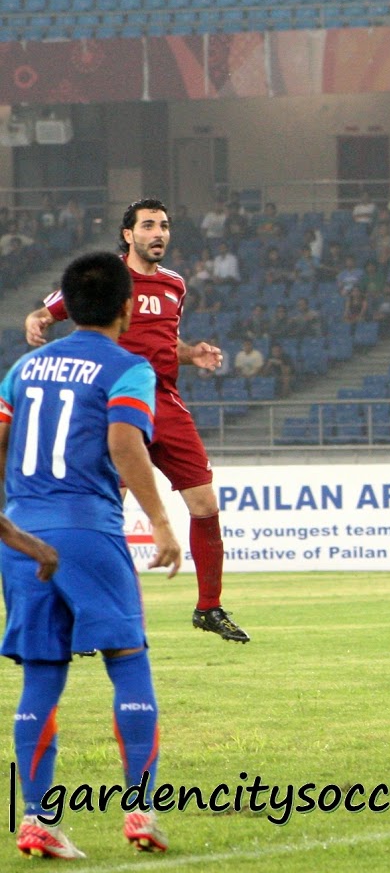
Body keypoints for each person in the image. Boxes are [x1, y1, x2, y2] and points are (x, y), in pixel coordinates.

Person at [3, 252, 185, 857]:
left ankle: (37, 819)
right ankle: (141, 812)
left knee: (41, 674)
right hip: (87, 531)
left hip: (23, 537)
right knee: (127, 659)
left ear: (70, 305)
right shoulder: (128, 367)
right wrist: (161, 521)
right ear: (127, 307)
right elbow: (125, 442)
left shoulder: (23, 368)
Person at [25, 200, 249, 643]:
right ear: (128, 234)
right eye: (148, 225)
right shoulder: (104, 278)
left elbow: (164, 341)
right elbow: (48, 310)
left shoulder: (175, 284)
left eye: (163, 225)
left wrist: (191, 353)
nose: (158, 233)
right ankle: (84, 615)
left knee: (205, 503)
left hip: (164, 402)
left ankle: (209, 607)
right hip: (113, 404)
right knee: (104, 511)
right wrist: (37, 320)